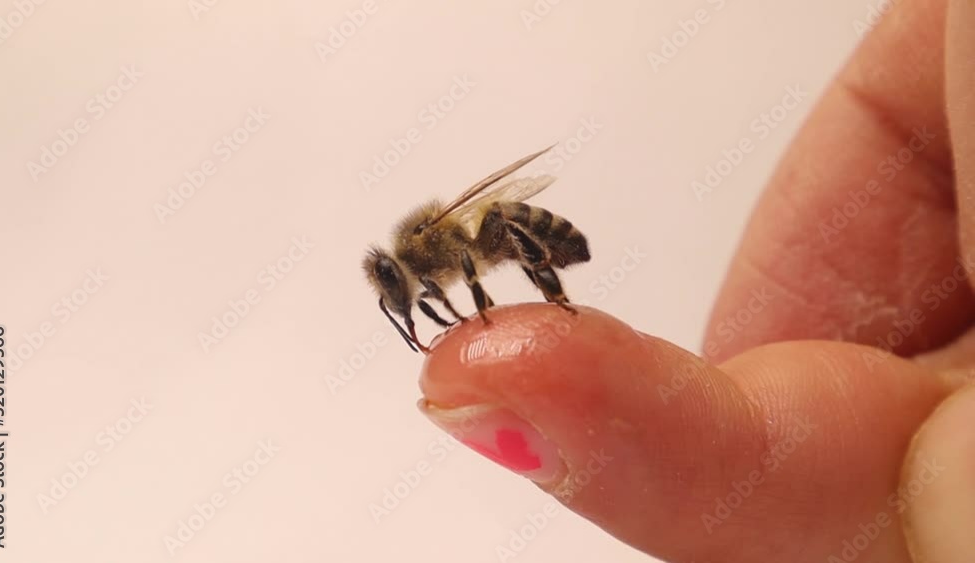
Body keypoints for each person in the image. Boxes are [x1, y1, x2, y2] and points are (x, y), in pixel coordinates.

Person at [416, 1, 974, 561]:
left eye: (409, 295)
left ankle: (554, 296)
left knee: (509, 228)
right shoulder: (434, 264)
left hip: (535, 237)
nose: (415, 300)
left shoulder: (444, 248)